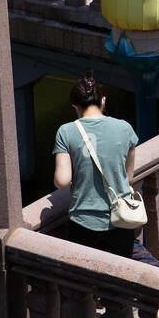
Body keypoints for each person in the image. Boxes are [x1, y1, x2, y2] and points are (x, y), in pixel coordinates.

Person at [53, 73, 139, 257]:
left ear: (75, 106)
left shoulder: (66, 132)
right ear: (103, 101)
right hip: (121, 219)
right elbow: (129, 177)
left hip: (83, 222)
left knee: (85, 281)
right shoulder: (125, 128)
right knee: (119, 277)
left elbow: (62, 181)